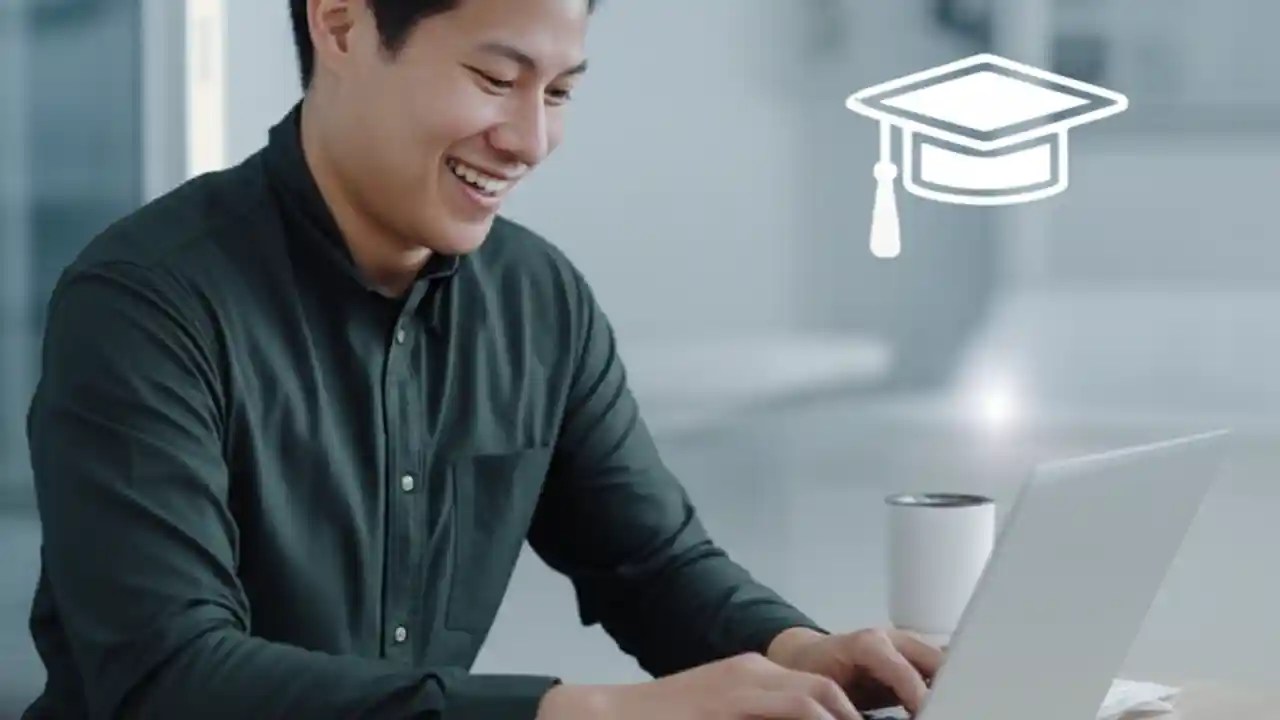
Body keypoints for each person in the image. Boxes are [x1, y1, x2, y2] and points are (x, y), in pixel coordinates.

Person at [23, 0, 944, 718]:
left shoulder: (538, 301)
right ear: (341, 25)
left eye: (560, 92)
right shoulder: (146, 303)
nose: (531, 141)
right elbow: (171, 677)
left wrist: (799, 652)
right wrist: (582, 712)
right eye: (496, 79)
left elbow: (652, 564)